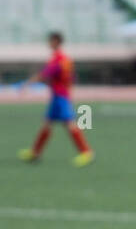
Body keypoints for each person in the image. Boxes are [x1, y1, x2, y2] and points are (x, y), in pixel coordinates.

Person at [17, 32, 94, 167]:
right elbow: (70, 78)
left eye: (50, 41)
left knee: (69, 124)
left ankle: (86, 152)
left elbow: (45, 74)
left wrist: (27, 83)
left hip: (60, 96)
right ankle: (35, 152)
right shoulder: (65, 59)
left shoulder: (58, 59)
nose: (48, 43)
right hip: (59, 95)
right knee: (48, 123)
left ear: (56, 42)